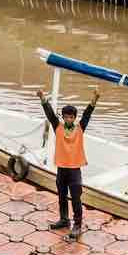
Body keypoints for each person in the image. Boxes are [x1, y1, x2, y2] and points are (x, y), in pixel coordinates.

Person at [36, 88, 99, 241]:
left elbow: (87, 114)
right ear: (63, 117)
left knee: (76, 197)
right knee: (62, 196)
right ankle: (64, 220)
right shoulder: (58, 127)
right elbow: (50, 114)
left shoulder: (79, 128)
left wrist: (94, 99)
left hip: (75, 170)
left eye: (71, 117)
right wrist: (42, 98)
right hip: (61, 169)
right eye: (66, 117)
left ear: (74, 118)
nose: (69, 119)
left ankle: (77, 224)